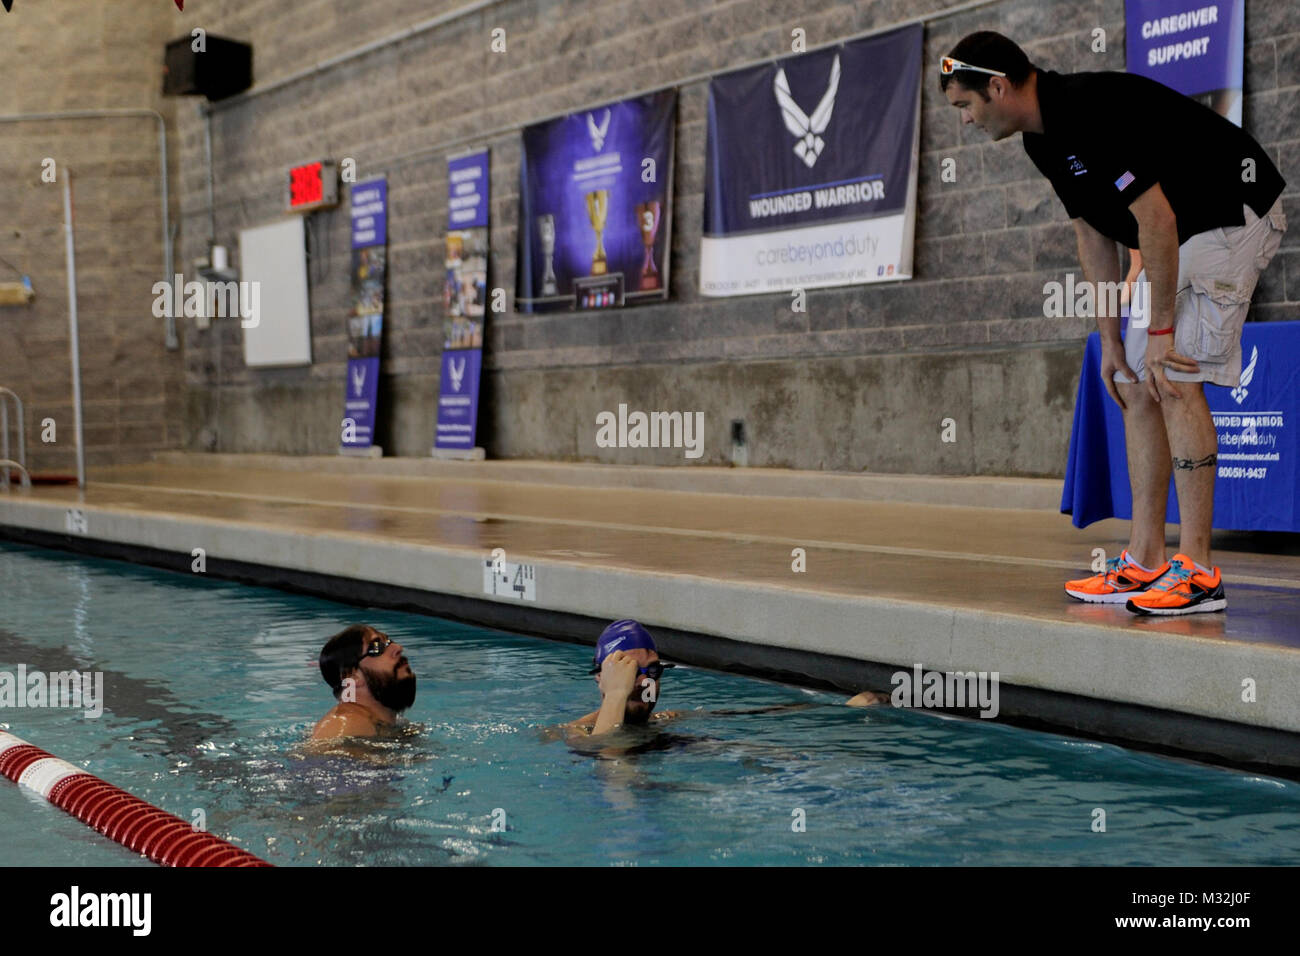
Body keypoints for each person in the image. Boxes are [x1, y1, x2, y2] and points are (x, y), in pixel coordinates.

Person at [941, 32, 1287, 615]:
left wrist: (1161, 333)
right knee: (1133, 382)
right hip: (1181, 230)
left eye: (965, 105)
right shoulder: (1041, 141)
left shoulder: (1087, 113)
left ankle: (1199, 573)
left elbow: (1156, 220)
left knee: (1174, 374)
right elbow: (1093, 236)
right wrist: (1110, 339)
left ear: (997, 87)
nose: (966, 120)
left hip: (1233, 212)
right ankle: (1145, 558)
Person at [566, 620, 682, 736]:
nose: (645, 682)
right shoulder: (576, 733)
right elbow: (607, 746)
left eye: (653, 670)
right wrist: (615, 693)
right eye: (630, 670)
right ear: (600, 676)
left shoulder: (668, 719)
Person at [311, 624, 417, 741]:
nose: (398, 648)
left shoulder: (378, 724)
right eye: (377, 647)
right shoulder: (345, 725)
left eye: (389, 642)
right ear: (352, 676)